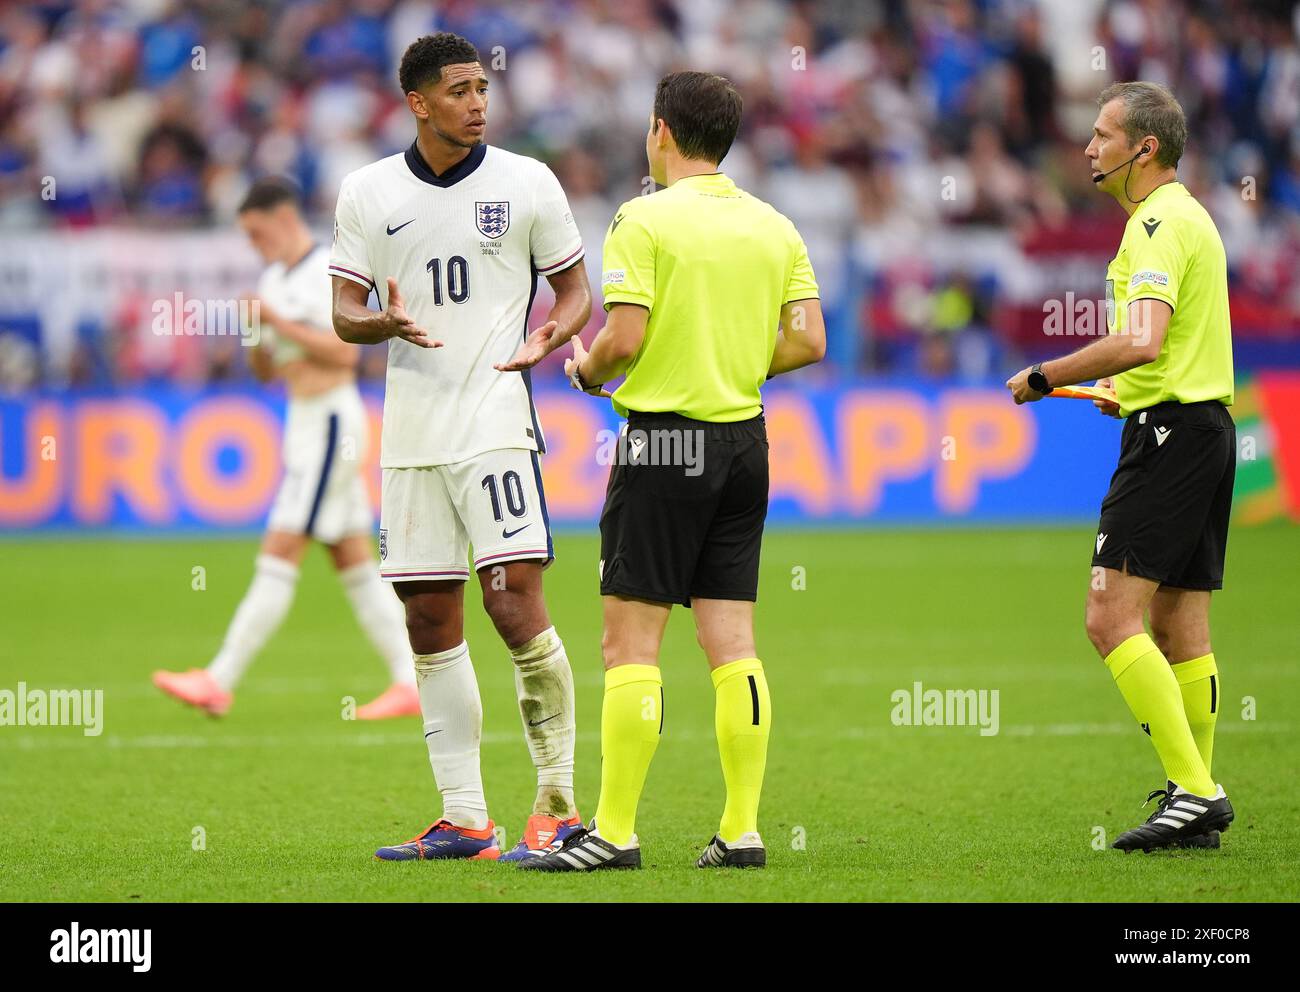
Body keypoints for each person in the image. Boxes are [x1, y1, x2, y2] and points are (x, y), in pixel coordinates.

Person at [521, 71, 824, 872]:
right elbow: (810, 340)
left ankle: (615, 834)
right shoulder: (773, 224)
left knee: (631, 646)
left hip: (663, 444)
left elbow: (621, 337)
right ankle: (743, 830)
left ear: (660, 130)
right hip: (745, 443)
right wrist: (728, 355)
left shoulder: (642, 217)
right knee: (732, 642)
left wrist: (587, 375)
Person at [329, 33, 594, 862]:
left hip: (494, 422)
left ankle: (557, 804)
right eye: (459, 90)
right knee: (428, 614)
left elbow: (576, 288)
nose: (478, 101)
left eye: (482, 86)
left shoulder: (527, 181)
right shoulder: (368, 192)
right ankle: (465, 818)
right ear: (418, 102)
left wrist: (552, 335)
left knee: (513, 599)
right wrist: (381, 322)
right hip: (410, 433)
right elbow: (343, 310)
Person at [1006, 81, 1236, 852]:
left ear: (1144, 148)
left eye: (1102, 135)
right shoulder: (1189, 217)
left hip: (1171, 437)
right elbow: (1162, 352)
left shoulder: (1157, 223)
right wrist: (1125, 391)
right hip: (1202, 426)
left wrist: (1047, 374)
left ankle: (1198, 791)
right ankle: (1190, 791)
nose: (1087, 147)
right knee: (1181, 623)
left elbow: (1142, 338)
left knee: (1109, 617)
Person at [153, 177, 418, 721]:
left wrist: (276, 321)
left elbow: (347, 358)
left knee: (279, 550)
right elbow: (268, 370)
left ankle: (219, 678)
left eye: (255, 233)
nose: (254, 245)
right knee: (353, 563)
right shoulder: (272, 281)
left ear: (281, 219)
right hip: (303, 422)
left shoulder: (328, 270)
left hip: (331, 425)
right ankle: (409, 681)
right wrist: (255, 334)